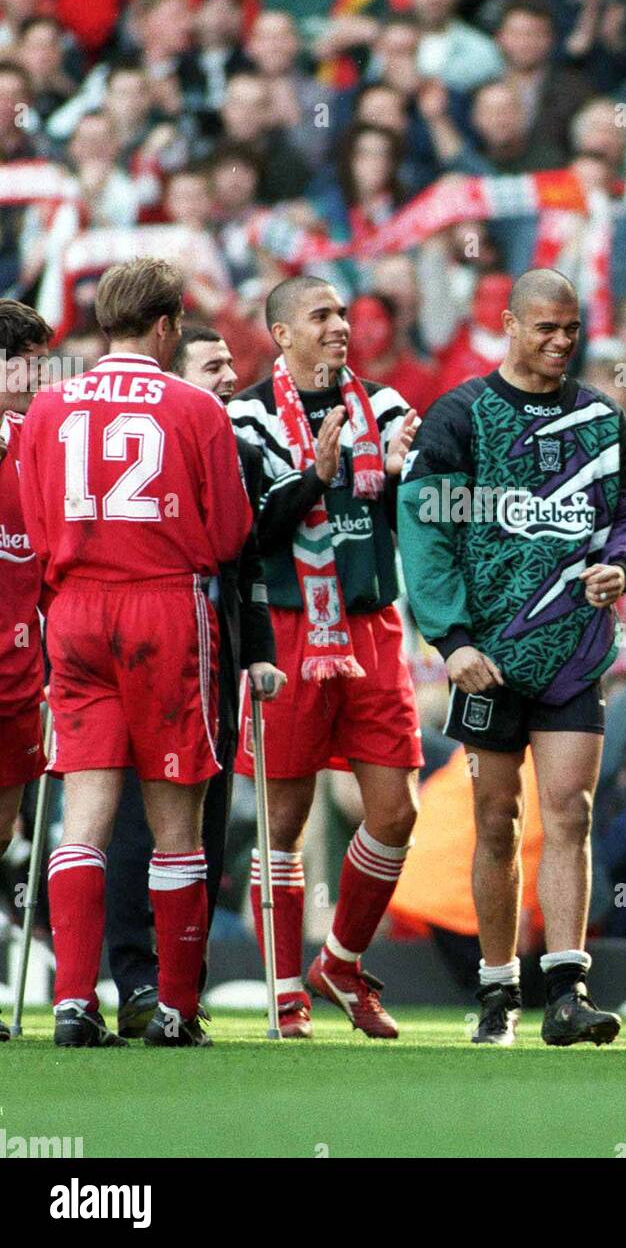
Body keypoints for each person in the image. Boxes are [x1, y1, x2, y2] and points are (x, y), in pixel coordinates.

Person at [397, 268, 626, 1046]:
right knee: (494, 817)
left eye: (571, 330)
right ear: (510, 324)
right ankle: (495, 991)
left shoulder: (602, 421)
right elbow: (425, 532)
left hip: (575, 650)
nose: (560, 343)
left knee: (571, 812)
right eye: (545, 328)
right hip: (489, 658)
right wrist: (452, 640)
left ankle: (568, 990)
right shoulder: (462, 417)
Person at [18, 258, 252, 1048]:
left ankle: (73, 1002)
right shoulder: (194, 406)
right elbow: (226, 538)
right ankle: (176, 1009)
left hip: (75, 610)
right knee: (175, 818)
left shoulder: (49, 406)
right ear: (164, 327)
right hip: (163, 606)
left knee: (82, 819)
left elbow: (39, 522)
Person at [228, 276, 422, 1039]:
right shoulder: (242, 416)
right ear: (281, 333)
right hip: (285, 629)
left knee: (396, 810)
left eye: (342, 314)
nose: (340, 326)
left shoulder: (391, 409)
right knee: (284, 817)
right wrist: (316, 473)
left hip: (371, 624)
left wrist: (413, 471)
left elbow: (419, 502)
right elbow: (250, 536)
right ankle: (283, 994)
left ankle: (339, 958)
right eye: (321, 315)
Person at [104, 325, 284, 1039]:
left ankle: (184, 983)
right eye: (213, 366)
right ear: (172, 376)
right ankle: (134, 980)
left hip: (215, 652)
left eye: (233, 364)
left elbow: (251, 564)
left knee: (202, 822)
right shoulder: (157, 441)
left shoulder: (237, 452)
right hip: (141, 643)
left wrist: (259, 650)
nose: (231, 376)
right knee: (131, 821)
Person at [0, 301, 53, 1040]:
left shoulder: (41, 438)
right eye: (30, 362)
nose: (44, 375)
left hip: (21, 663)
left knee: (4, 828)